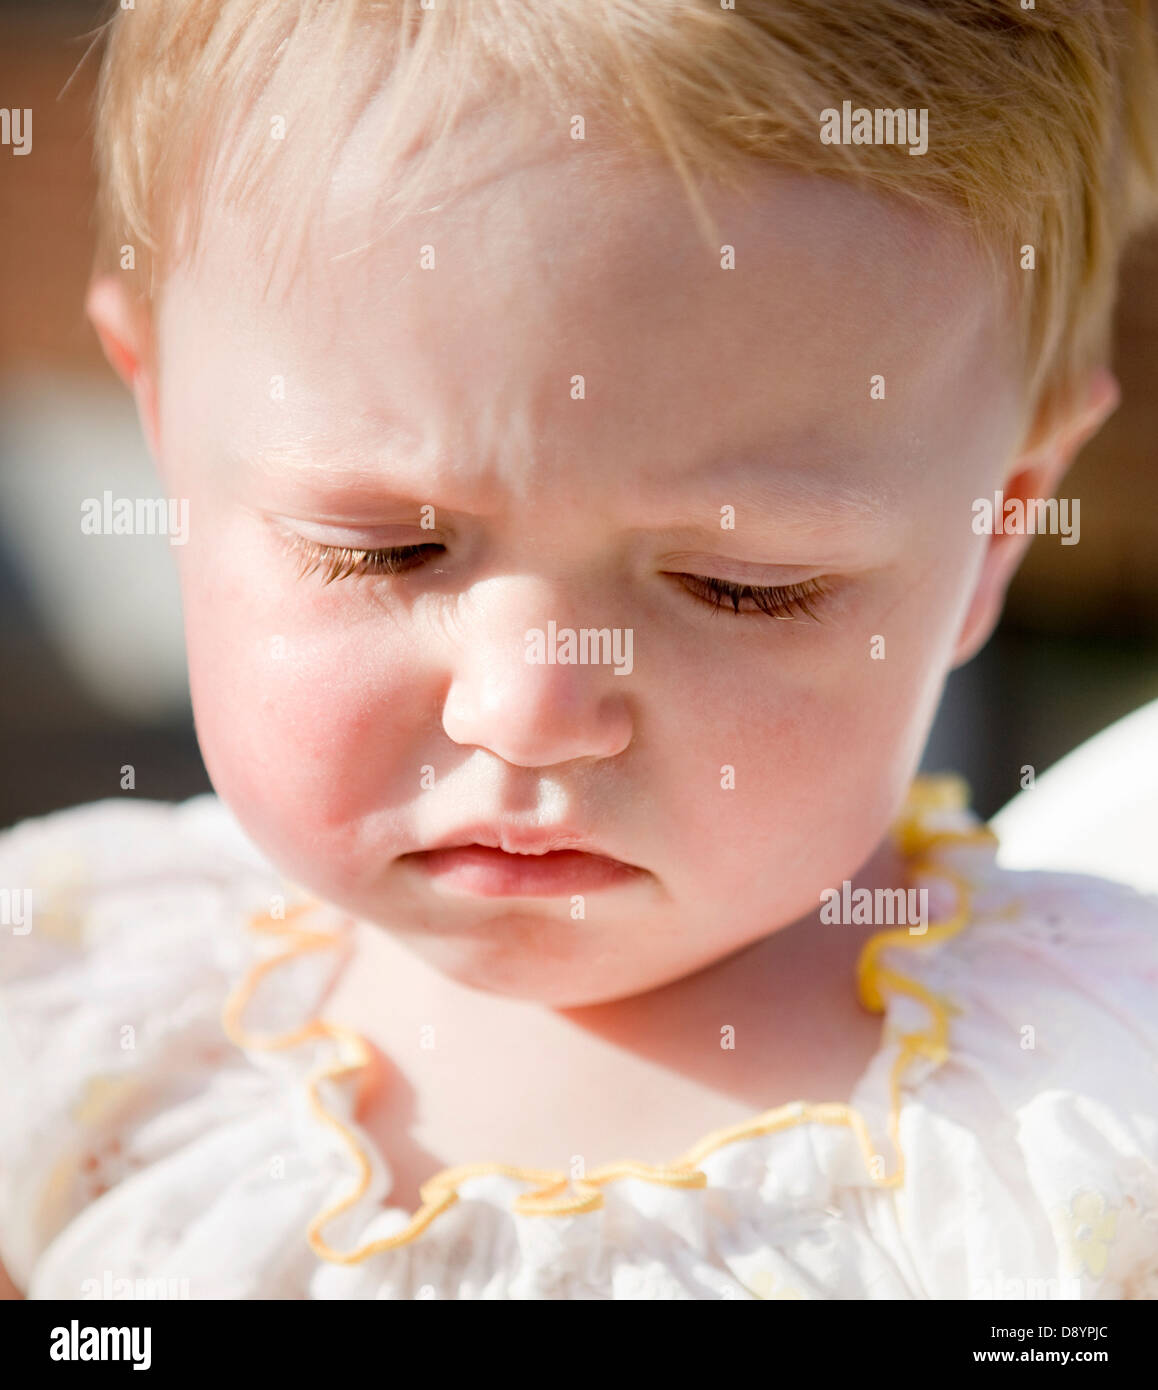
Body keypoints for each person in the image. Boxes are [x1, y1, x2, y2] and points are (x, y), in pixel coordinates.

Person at [1, 0, 1157, 1299]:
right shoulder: (69, 1009)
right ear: (163, 431)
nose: (530, 710)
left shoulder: (1086, 1119)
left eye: (740, 586)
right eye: (382, 548)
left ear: (998, 525)